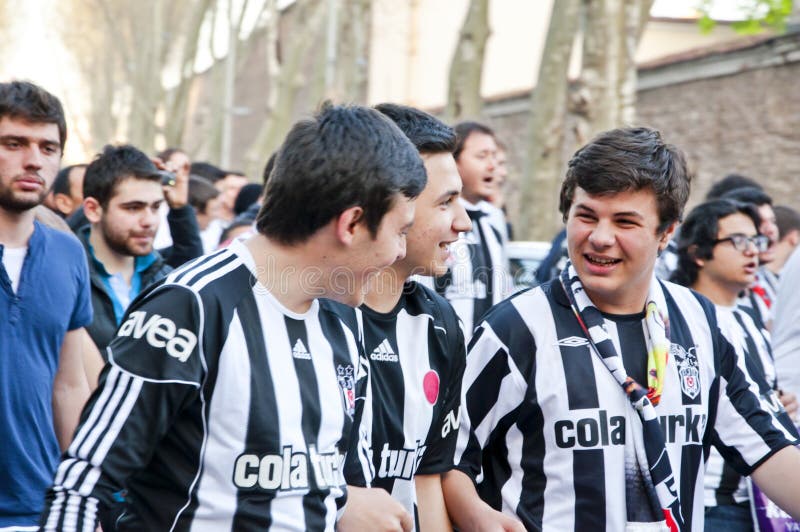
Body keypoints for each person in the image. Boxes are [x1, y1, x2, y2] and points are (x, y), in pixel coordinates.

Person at [39, 103, 427, 532]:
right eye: (401, 230)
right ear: (352, 223)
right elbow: (84, 483)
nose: (400, 252)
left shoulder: (343, 320)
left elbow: (333, 485)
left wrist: (342, 504)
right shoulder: (190, 307)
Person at [443, 127, 800, 532]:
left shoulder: (701, 322)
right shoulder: (514, 328)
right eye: (586, 216)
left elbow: (770, 449)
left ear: (666, 233)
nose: (600, 238)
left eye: (625, 222)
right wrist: (475, 516)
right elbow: (446, 458)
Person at [336, 103, 471, 531]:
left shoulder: (440, 325)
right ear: (395, 204)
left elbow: (425, 477)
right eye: (446, 202)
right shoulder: (308, 316)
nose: (464, 222)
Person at [669, 198, 799, 530]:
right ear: (698, 253)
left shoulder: (750, 321)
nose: (752, 251)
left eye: (756, 241)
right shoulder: (678, 322)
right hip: (710, 503)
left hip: (758, 498)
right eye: (738, 242)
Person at [0, 81, 92, 530]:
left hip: (40, 507)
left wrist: (81, 500)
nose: (33, 159)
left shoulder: (68, 254)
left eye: (48, 147)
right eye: (13, 143)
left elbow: (69, 385)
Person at [78, 145, 181, 355]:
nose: (149, 221)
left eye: (155, 207)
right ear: (93, 209)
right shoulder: (64, 274)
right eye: (133, 208)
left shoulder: (168, 281)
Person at [433, 121, 511, 338]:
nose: (492, 165)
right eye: (482, 156)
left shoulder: (494, 218)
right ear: (454, 162)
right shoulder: (435, 216)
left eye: (494, 156)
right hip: (448, 350)